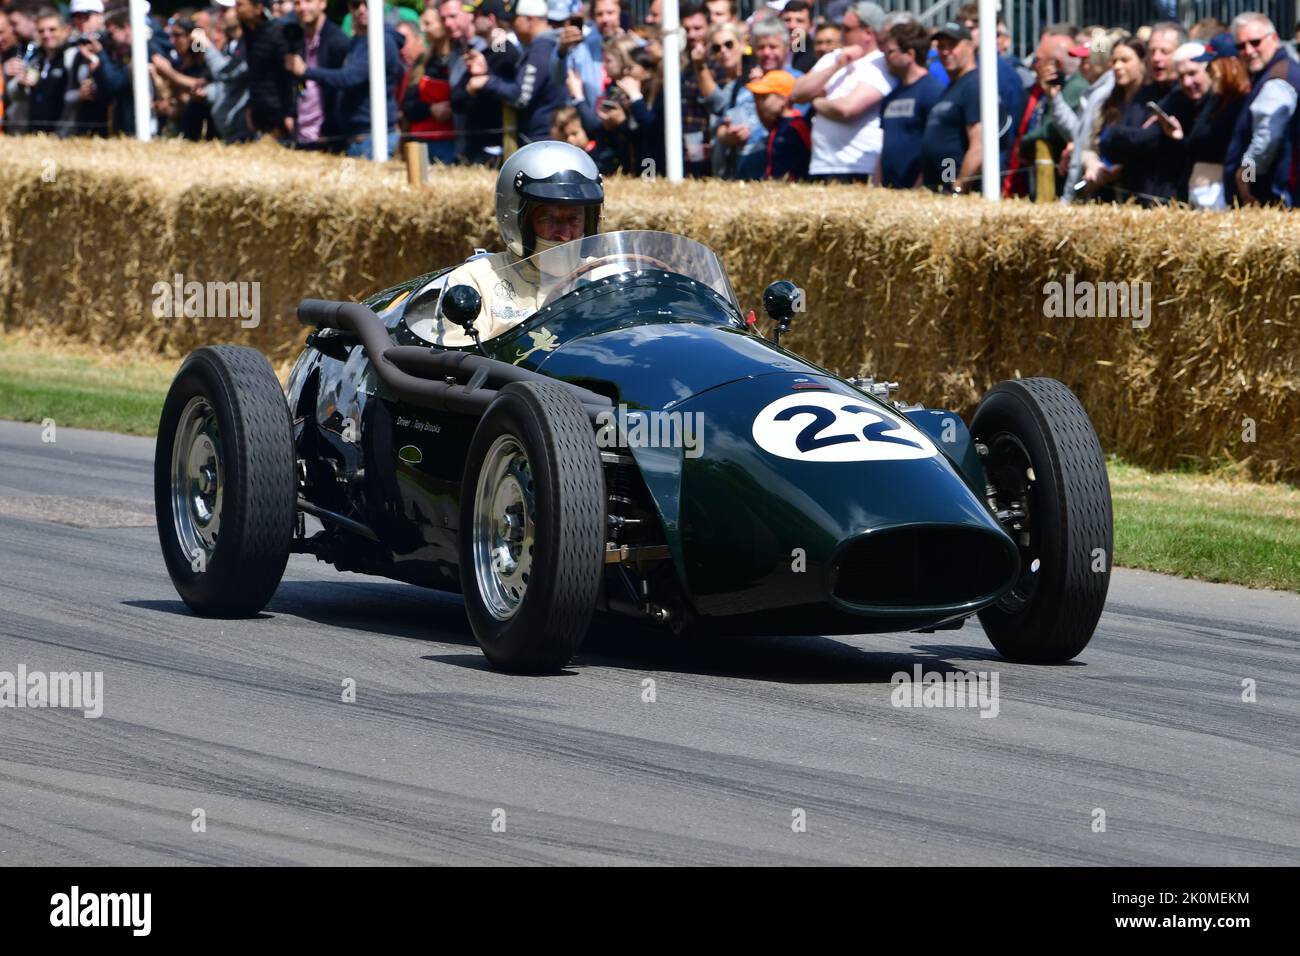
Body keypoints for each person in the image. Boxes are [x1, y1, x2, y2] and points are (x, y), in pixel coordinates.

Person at [426, 140, 604, 347]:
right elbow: (458, 366)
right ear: (517, 220)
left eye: (574, 220)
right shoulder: (476, 281)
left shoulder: (610, 276)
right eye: (548, 220)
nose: (565, 235)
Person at [791, 1, 894, 184]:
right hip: (821, 165)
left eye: (846, 29)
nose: (841, 34)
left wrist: (816, 102)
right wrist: (837, 65)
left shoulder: (881, 64)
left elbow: (847, 109)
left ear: (868, 33)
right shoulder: (834, 57)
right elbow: (797, 93)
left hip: (858, 167)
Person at [286, 0, 405, 158]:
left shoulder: (383, 41)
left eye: (367, 4)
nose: (361, 10)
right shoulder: (358, 40)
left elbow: (349, 78)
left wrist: (306, 71)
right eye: (355, 4)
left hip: (374, 138)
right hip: (356, 138)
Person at [1153, 34, 1249, 209]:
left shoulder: (1243, 102)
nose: (1210, 72)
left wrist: (1246, 184)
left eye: (1212, 66)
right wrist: (1179, 137)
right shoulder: (1215, 101)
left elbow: (1250, 152)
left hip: (1222, 195)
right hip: (1202, 195)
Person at [1224, 12, 1300, 207]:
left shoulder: (1278, 79)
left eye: (1255, 42)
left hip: (1272, 194)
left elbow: (1268, 136)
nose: (1249, 51)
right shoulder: (1280, 70)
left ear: (1274, 38)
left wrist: (1246, 175)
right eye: (1241, 46)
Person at [1005, 24, 1088, 199]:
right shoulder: (1042, 89)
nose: (1034, 64)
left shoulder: (1075, 88)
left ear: (1055, 64)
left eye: (1039, 59)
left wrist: (1024, 144)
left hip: (1060, 185)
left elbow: (1051, 130)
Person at [465, 0, 563, 146]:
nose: (510, 25)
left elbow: (521, 97)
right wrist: (488, 73)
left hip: (543, 141)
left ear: (530, 19)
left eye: (514, 20)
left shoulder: (541, 50)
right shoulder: (544, 46)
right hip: (543, 138)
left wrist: (486, 81)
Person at [1058, 29, 1123, 202]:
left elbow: (1090, 141)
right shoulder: (1094, 92)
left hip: (1098, 181)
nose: (1082, 66)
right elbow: (1081, 136)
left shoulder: (1104, 92)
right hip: (1087, 174)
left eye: (1087, 60)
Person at [878, 19, 942, 188]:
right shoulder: (891, 96)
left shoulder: (932, 92)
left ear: (910, 55)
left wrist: (920, 186)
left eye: (890, 52)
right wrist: (877, 185)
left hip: (916, 192)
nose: (885, 59)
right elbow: (884, 144)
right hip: (890, 191)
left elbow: (937, 146)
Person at [920, 20, 982, 193]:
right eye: (941, 46)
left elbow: (979, 145)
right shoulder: (952, 87)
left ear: (970, 47)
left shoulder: (974, 85)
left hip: (954, 193)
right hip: (939, 189)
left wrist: (957, 187)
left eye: (952, 45)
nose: (945, 52)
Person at [1085, 37, 1149, 202]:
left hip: (1140, 193)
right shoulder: (1108, 103)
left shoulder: (1151, 101)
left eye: (1125, 60)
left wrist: (1123, 169)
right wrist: (1092, 164)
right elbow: (1090, 144)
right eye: (1114, 61)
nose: (1118, 66)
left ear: (1143, 62)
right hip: (1105, 193)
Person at [284, 0, 348, 150]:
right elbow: (298, 83)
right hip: (300, 135)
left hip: (329, 137)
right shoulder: (296, 39)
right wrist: (290, 113)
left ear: (323, 3)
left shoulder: (338, 41)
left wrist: (306, 71)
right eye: (297, 3)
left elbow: (343, 81)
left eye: (308, 1)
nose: (302, 7)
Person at [235, 0, 293, 138]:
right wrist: (251, 105)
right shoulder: (249, 33)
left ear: (258, 8)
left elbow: (292, 78)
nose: (236, 9)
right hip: (259, 111)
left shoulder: (278, 34)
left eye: (240, 4)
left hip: (279, 113)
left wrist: (291, 113)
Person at [747, 68, 809, 180]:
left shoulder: (796, 126)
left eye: (764, 97)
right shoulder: (778, 124)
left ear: (783, 99)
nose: (759, 102)